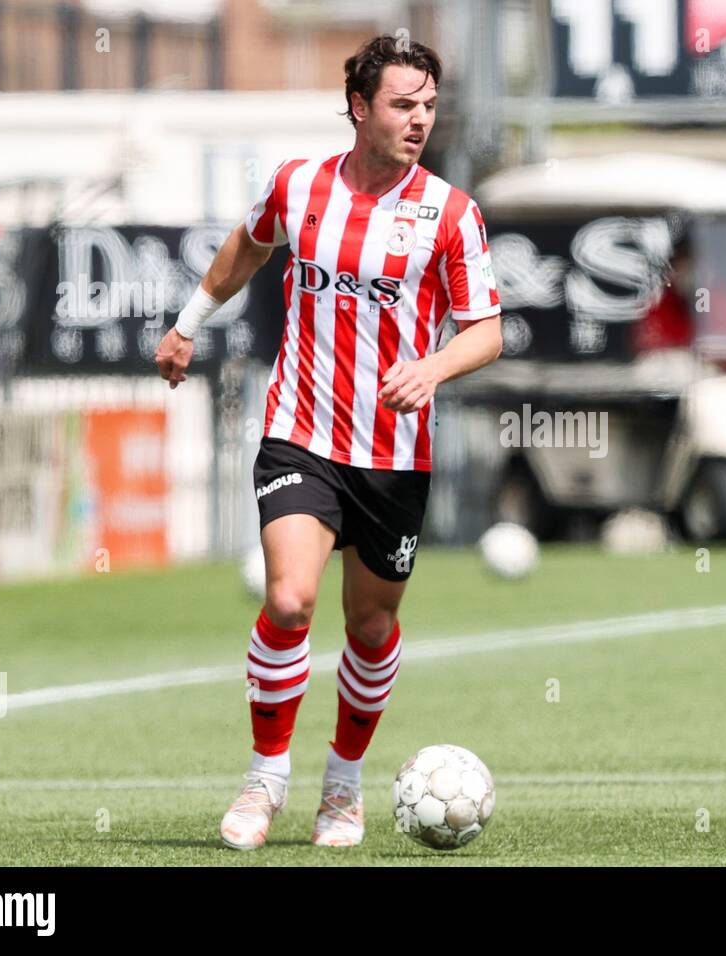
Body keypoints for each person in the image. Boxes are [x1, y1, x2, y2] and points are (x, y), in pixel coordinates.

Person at [153, 34, 503, 850]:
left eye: (428, 106)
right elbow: (249, 242)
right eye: (401, 105)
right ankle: (264, 778)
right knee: (287, 600)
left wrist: (434, 367)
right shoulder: (300, 185)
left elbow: (487, 330)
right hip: (299, 434)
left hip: (393, 456)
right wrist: (185, 326)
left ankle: (341, 786)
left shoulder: (451, 214)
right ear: (359, 108)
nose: (419, 120)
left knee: (371, 629)